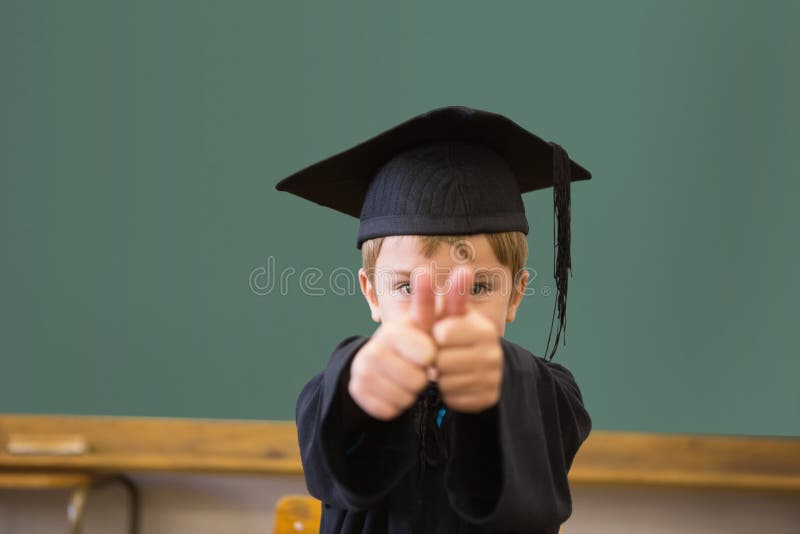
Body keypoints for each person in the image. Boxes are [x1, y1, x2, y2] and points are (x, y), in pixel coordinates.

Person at [275, 105, 593, 534]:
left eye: (477, 287)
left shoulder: (550, 397)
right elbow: (337, 453)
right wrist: (358, 393)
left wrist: (497, 382)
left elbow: (536, 436)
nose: (443, 313)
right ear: (372, 294)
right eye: (407, 287)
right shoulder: (329, 396)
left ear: (515, 295)